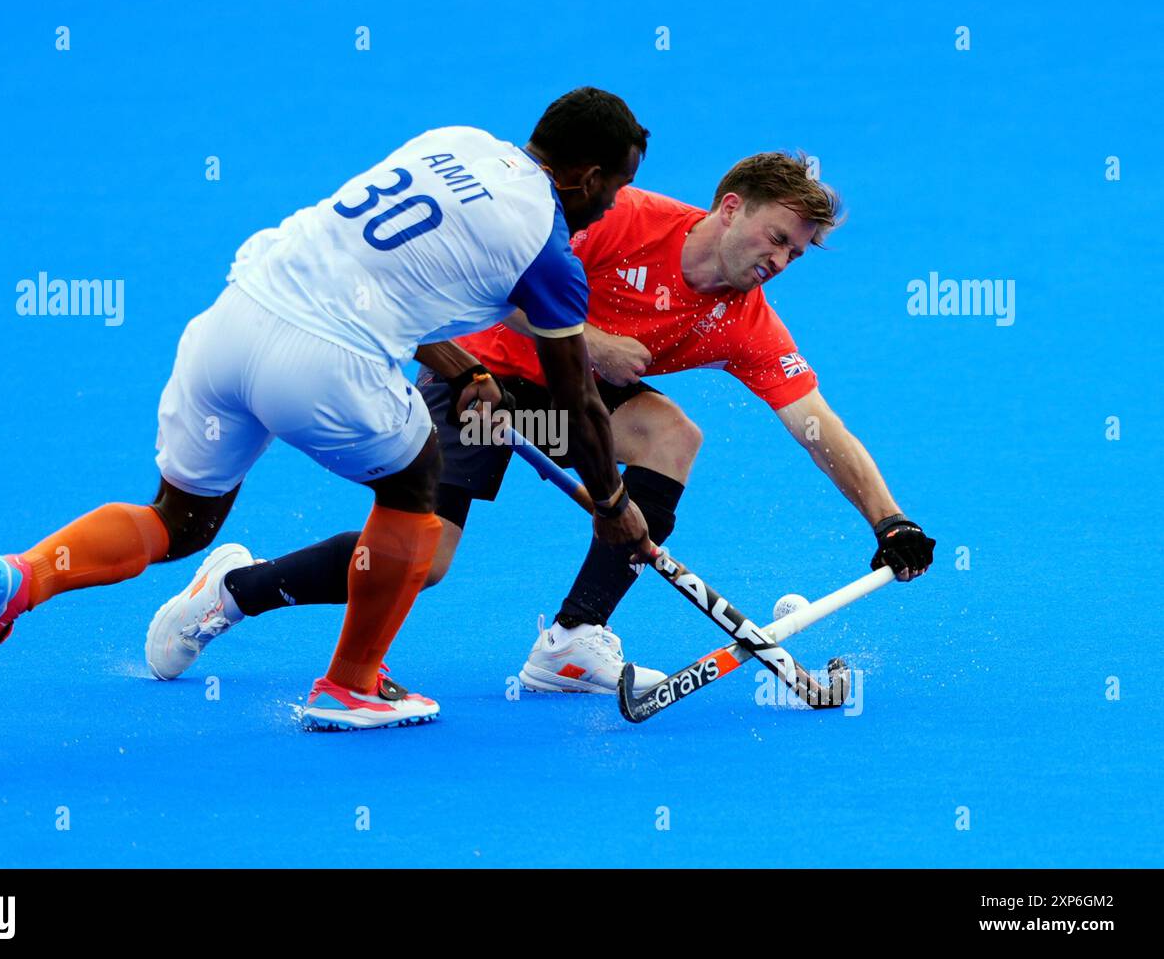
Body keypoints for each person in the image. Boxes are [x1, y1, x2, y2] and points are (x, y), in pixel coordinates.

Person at [0, 87, 651, 730]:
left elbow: (387, 271)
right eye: (616, 188)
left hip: (234, 320)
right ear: (585, 178)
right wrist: (613, 502)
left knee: (176, 521)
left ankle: (25, 573)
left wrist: (458, 364)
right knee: (416, 481)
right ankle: (351, 685)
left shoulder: (454, 140)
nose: (614, 204)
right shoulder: (548, 253)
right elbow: (577, 400)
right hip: (321, 365)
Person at [187, 152, 934, 695]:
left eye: (796, 254)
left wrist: (889, 519)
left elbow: (814, 422)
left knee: (671, 434)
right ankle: (233, 590)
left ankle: (572, 639)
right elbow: (498, 283)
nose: (781, 259)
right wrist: (592, 342)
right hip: (477, 385)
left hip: (563, 407)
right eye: (777, 237)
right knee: (426, 561)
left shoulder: (742, 321)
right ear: (730, 206)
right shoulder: (627, 219)